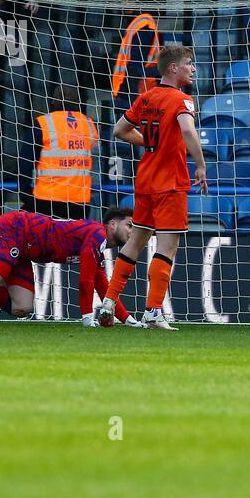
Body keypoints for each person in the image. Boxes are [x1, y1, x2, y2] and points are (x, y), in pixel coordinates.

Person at [96, 44, 208, 330]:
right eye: (189, 63)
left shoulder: (145, 98)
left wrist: (147, 142)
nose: (193, 68)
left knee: (136, 241)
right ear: (174, 68)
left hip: (145, 180)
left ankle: (108, 302)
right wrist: (201, 165)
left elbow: (119, 130)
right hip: (170, 183)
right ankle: (154, 311)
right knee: (168, 246)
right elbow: (187, 129)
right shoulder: (182, 100)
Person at [0, 207, 144, 325]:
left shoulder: (98, 243)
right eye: (129, 225)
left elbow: (101, 284)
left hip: (26, 249)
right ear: (113, 224)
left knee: (22, 307)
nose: (132, 232)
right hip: (15, 229)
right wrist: (88, 318)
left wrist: (127, 319)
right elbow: (85, 281)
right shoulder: (97, 234)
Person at [31, 86, 97, 219]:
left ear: (53, 102)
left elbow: (25, 162)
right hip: (80, 200)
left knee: (47, 239)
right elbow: (92, 145)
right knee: (74, 239)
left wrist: (26, 196)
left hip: (47, 198)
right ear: (78, 102)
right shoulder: (89, 124)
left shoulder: (42, 123)